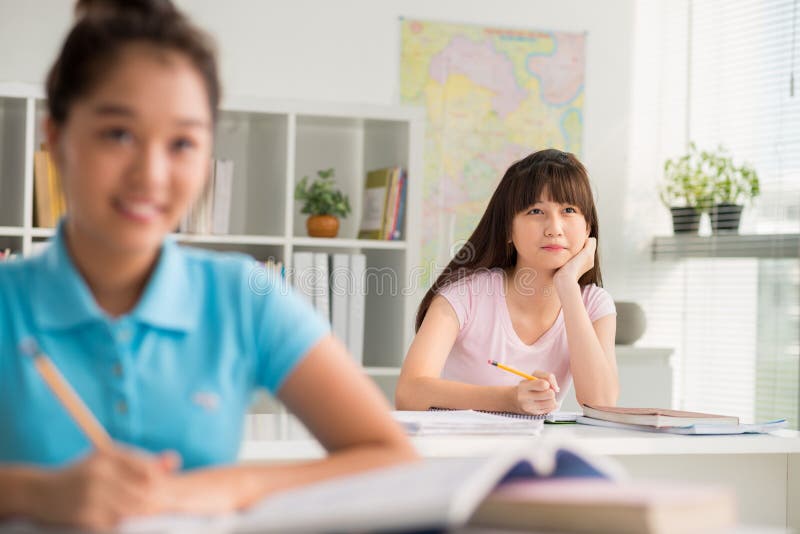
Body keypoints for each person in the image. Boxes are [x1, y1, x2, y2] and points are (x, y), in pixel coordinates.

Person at [0, 0, 415, 529]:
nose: (151, 175)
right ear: (56, 138)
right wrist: (38, 494)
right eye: (118, 134)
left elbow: (389, 456)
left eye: (182, 143)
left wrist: (222, 487)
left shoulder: (243, 296)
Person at [396, 149, 619, 415]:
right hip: (462, 451)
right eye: (536, 211)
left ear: (588, 228)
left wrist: (569, 287)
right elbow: (409, 393)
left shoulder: (594, 305)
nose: (554, 228)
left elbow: (601, 403)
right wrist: (509, 399)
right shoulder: (462, 296)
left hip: (536, 453)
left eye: (569, 210)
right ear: (508, 230)